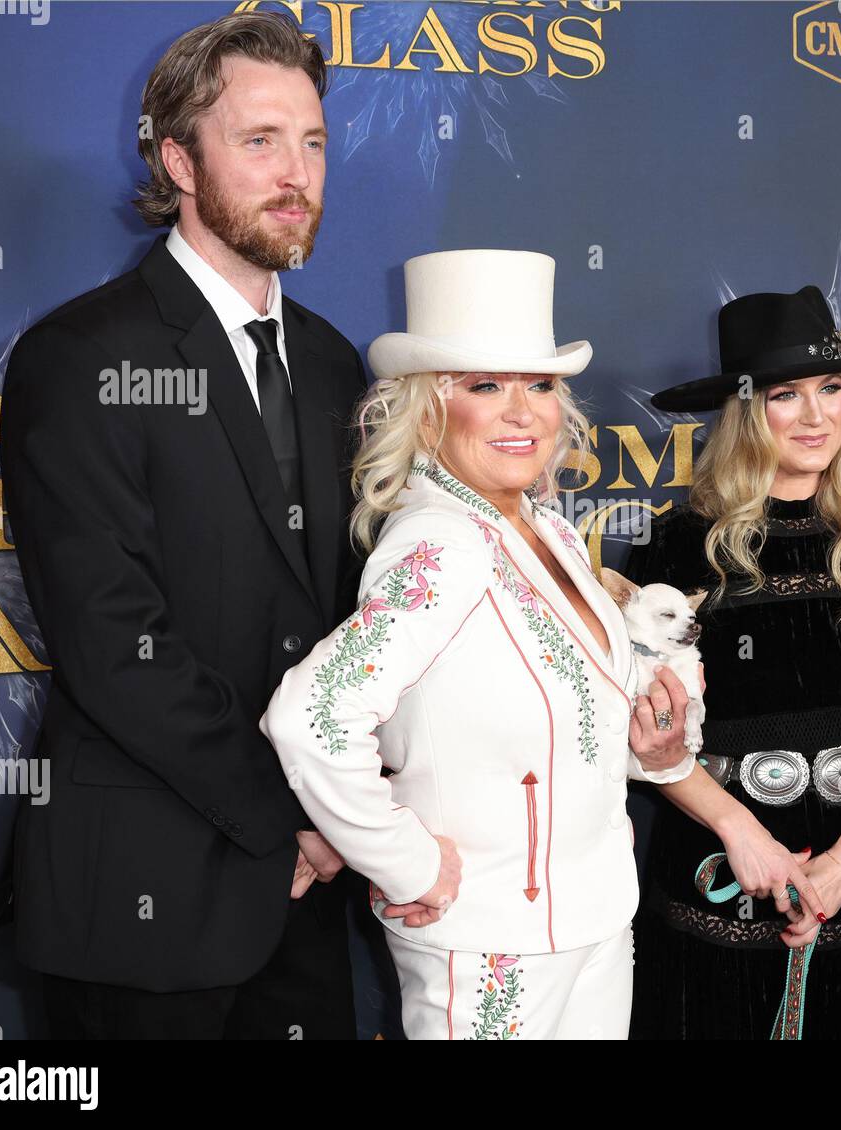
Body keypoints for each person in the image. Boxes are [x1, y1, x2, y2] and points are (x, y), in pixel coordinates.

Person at [261, 247, 734, 1040]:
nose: (522, 411)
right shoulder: (441, 542)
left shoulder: (546, 525)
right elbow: (310, 720)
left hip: (595, 922)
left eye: (540, 385)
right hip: (485, 945)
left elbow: (556, 726)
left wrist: (644, 747)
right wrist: (405, 861)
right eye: (485, 385)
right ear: (427, 408)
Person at [0, 12, 363, 1038]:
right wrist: (290, 817)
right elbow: (115, 642)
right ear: (178, 159)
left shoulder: (336, 363)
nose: (295, 171)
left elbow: (365, 614)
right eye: (258, 141)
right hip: (143, 901)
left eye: (312, 141)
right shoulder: (80, 355)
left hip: (311, 896)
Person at [625, 284, 841, 1039]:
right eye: (784, 395)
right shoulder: (673, 551)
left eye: (830, 389)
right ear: (744, 412)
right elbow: (648, 734)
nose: (814, 415)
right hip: (715, 869)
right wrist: (744, 834)